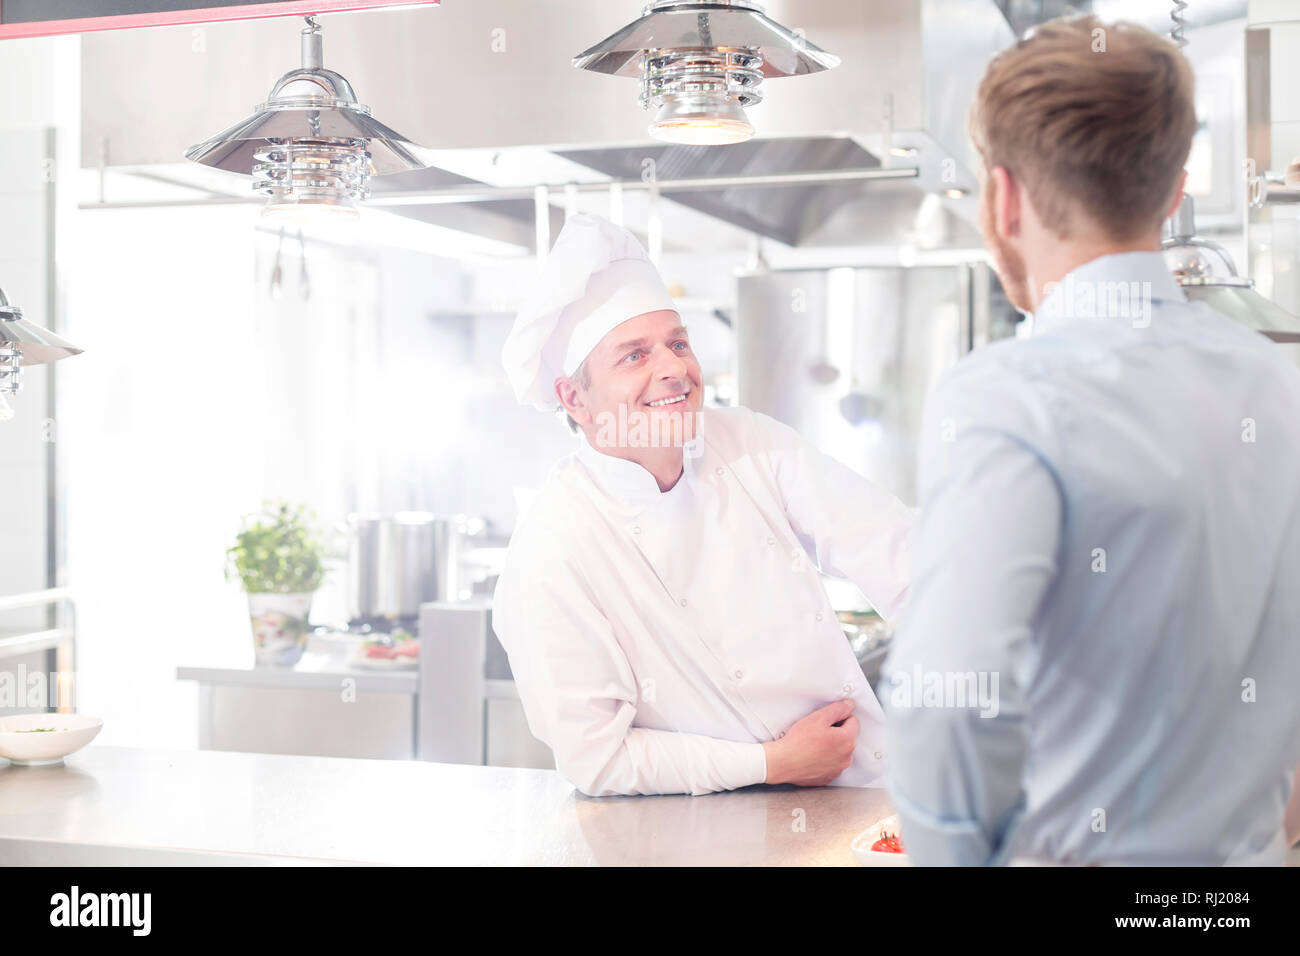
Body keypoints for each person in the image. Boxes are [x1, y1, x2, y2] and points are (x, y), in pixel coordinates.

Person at [882, 14, 1300, 865]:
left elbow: (948, 699)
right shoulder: (1279, 386)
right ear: (1176, 187)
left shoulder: (1007, 397)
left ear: (1001, 198)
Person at [493, 212, 913, 796]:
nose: (675, 369)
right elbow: (597, 759)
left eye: (678, 343)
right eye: (635, 355)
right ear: (574, 398)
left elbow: (899, 555)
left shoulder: (747, 441)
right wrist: (774, 763)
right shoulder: (554, 546)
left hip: (859, 797)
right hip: (695, 831)